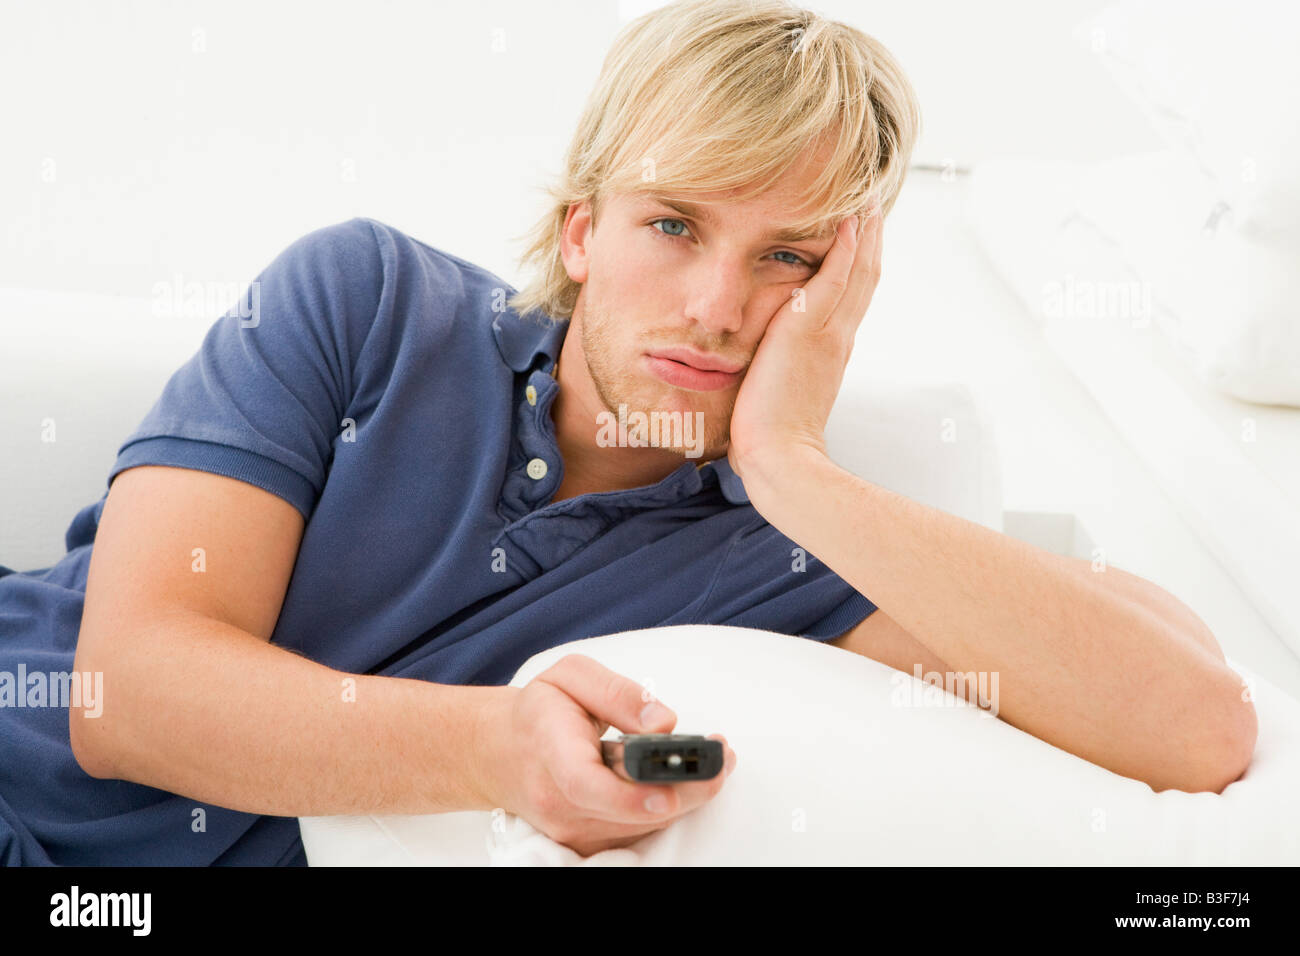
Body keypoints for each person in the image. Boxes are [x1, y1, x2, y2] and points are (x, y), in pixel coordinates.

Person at [0, 0, 920, 864]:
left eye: (787, 256)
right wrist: (498, 745)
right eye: (674, 224)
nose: (717, 308)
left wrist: (793, 466)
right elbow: (124, 699)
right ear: (581, 233)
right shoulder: (370, 298)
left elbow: (1071, 693)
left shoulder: (792, 557)